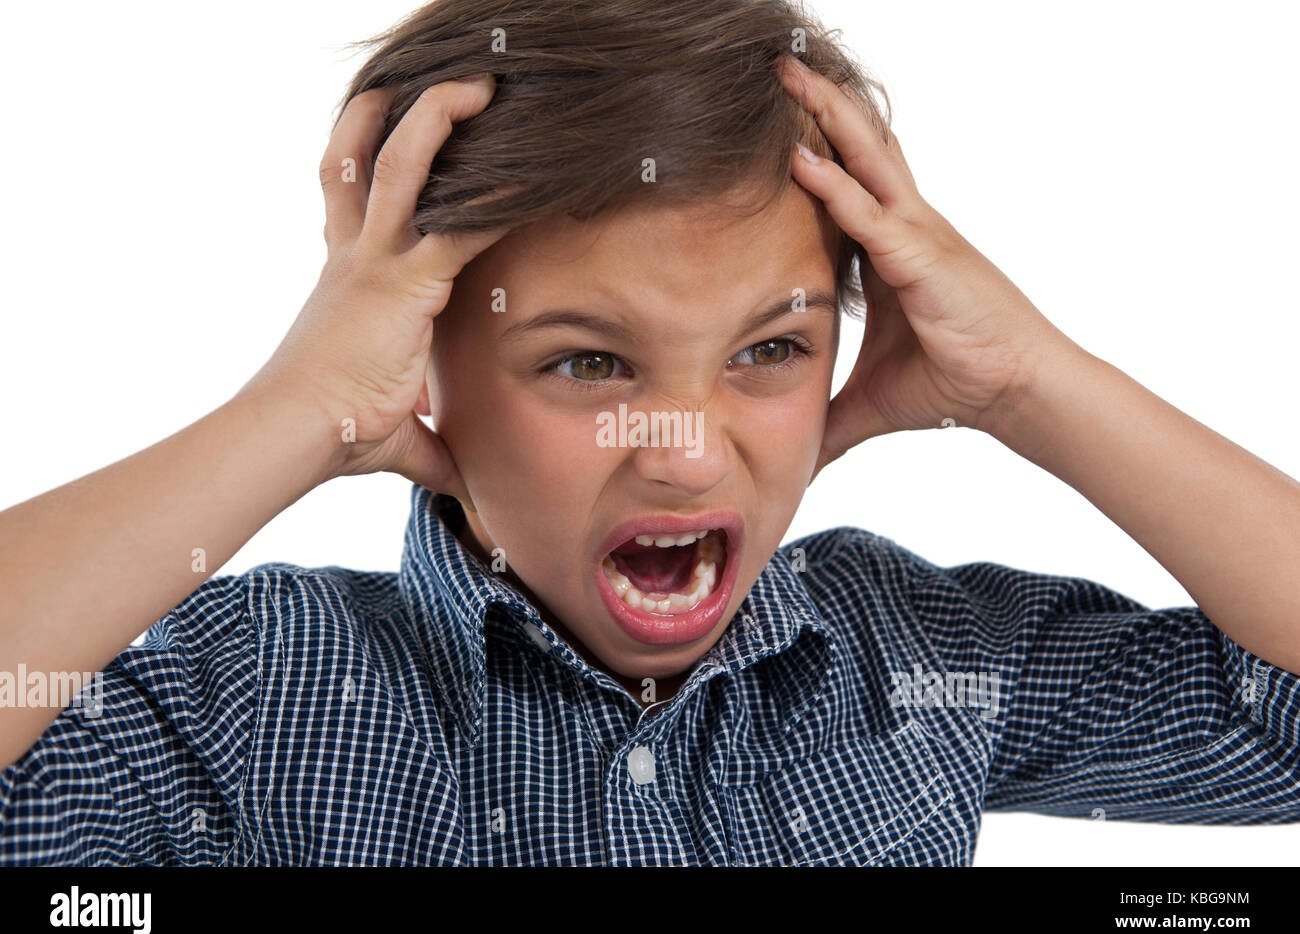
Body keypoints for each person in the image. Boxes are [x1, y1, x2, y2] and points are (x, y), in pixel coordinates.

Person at [2, 0, 1297, 865]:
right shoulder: (257, 690)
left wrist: (1033, 381)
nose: (684, 448)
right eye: (586, 360)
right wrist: (292, 415)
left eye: (770, 350)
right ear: (417, 359)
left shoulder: (925, 662)